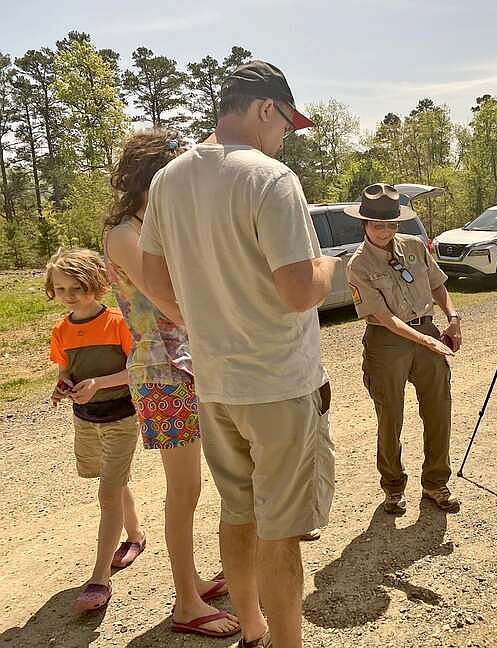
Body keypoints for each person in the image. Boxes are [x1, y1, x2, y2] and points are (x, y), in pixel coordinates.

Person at [139, 60, 338, 648]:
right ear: (264, 109)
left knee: (238, 510)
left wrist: (204, 325)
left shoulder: (168, 180)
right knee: (281, 530)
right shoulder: (271, 179)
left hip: (215, 382)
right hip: (277, 383)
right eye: (285, 126)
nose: (285, 139)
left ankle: (251, 627)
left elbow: (152, 277)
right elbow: (300, 291)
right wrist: (330, 267)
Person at [103, 130, 240, 639]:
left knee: (194, 486)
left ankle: (194, 581)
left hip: (185, 361)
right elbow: (168, 300)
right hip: (161, 369)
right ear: (153, 177)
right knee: (184, 489)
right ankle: (185, 602)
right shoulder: (124, 233)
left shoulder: (154, 225)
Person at [346, 183, 462, 516]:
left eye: (390, 224)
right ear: (364, 224)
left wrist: (452, 318)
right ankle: (393, 488)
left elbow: (438, 284)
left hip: (427, 330)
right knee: (390, 417)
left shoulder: (413, 246)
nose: (384, 231)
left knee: (439, 410)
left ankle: (435, 483)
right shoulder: (359, 264)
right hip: (387, 341)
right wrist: (427, 341)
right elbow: (382, 317)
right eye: (376, 224)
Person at [45, 248, 145, 613]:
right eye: (60, 288)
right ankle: (135, 535)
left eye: (77, 287)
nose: (69, 295)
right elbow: (64, 370)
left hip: (121, 418)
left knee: (107, 494)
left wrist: (99, 384)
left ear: (96, 285)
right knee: (110, 479)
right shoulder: (61, 329)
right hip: (85, 419)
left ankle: (99, 578)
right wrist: (63, 385)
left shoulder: (118, 322)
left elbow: (138, 370)